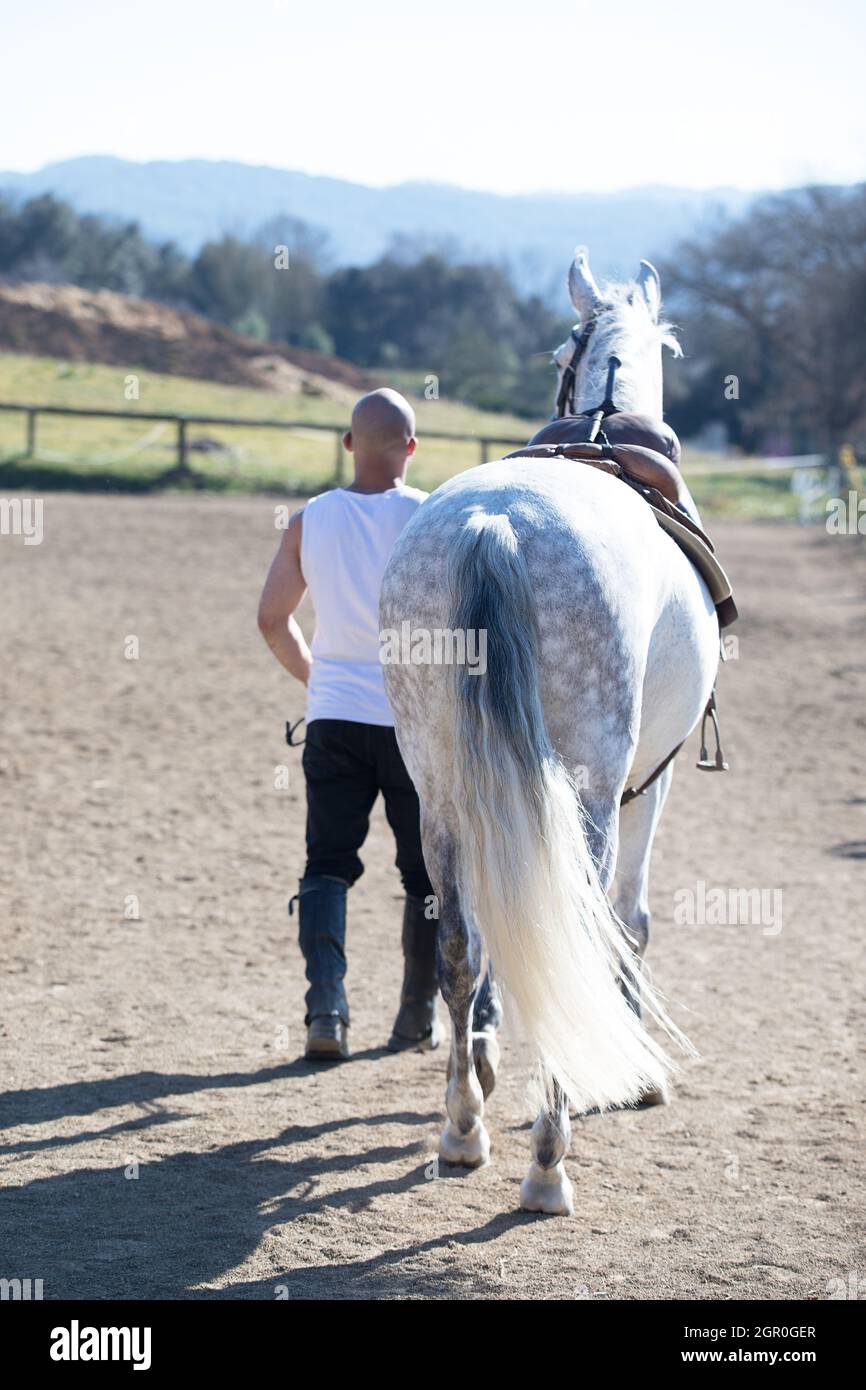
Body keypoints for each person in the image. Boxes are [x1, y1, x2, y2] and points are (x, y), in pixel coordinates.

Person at [257, 388, 440, 1061]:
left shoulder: (310, 519)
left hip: (333, 719)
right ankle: (416, 1017)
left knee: (326, 864)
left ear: (348, 445)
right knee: (425, 877)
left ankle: (325, 1012)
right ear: (411, 449)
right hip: (411, 726)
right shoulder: (434, 518)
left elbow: (271, 619)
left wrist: (319, 680)